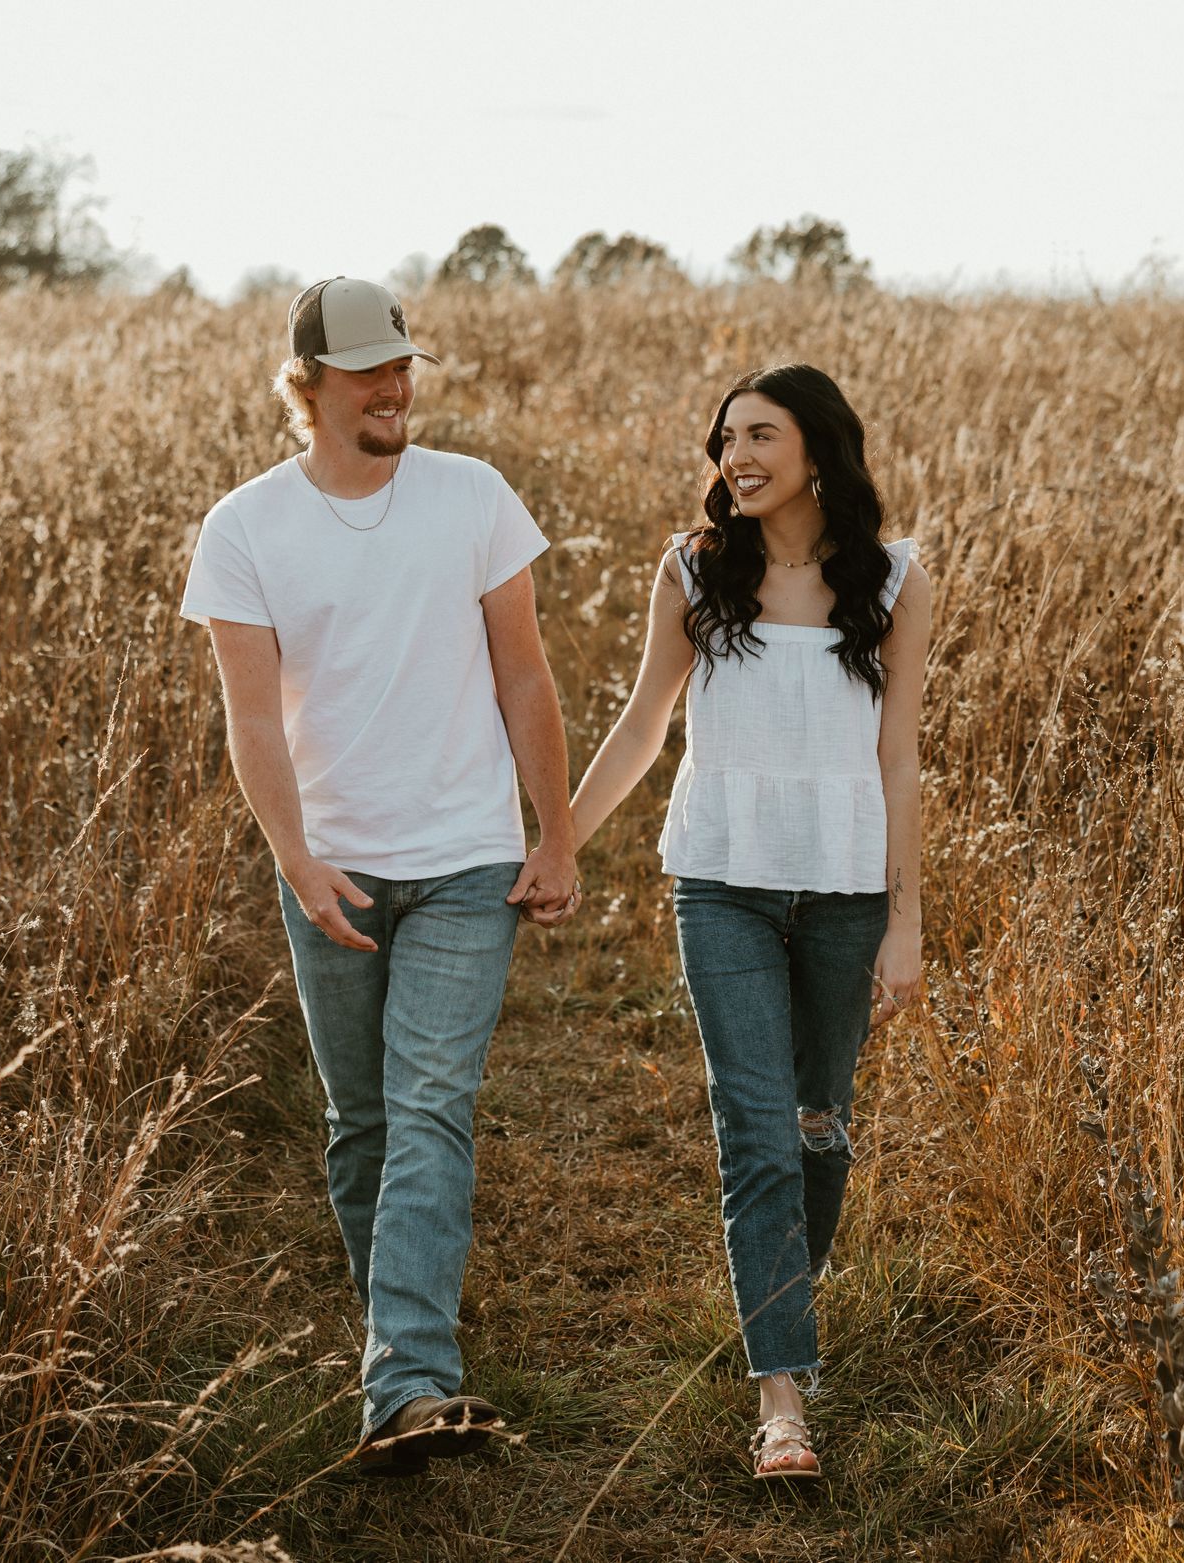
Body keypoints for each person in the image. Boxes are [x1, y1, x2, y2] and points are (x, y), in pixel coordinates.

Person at [179, 276, 582, 1477]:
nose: (395, 387)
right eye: (368, 372)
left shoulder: (473, 496)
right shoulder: (244, 527)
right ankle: (400, 1331)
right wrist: (294, 857)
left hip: (467, 858)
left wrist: (555, 834)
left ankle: (408, 1379)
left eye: (402, 365)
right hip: (335, 866)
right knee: (361, 1122)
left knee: (429, 1105)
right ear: (307, 385)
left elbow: (524, 674)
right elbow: (253, 718)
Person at [567, 362, 930, 1483]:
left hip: (845, 886)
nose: (737, 457)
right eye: (727, 440)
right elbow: (644, 719)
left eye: (761, 434)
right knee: (758, 1129)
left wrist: (907, 918)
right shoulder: (695, 568)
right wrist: (559, 839)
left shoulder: (894, 578)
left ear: (818, 448)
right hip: (721, 877)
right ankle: (782, 1399)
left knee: (820, 1123)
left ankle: (783, 1298)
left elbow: (899, 755)